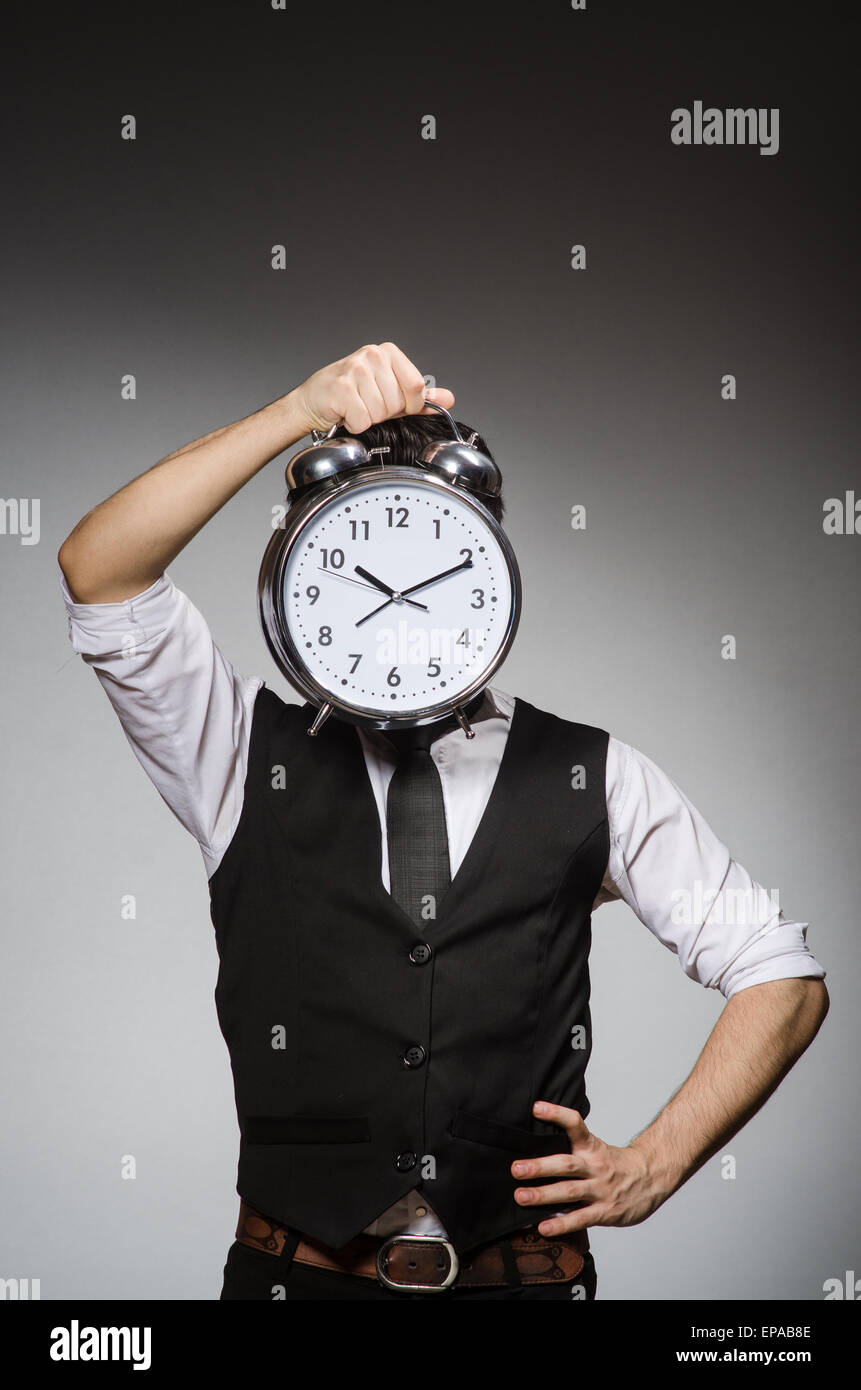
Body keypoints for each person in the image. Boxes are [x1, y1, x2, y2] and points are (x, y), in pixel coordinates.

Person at [57, 341, 828, 1301]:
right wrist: (296, 410)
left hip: (523, 1282)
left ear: (485, 572)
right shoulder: (234, 752)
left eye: (430, 556)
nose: (398, 587)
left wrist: (657, 1162)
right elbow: (99, 567)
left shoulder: (593, 774)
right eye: (364, 561)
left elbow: (780, 976)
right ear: (307, 573)